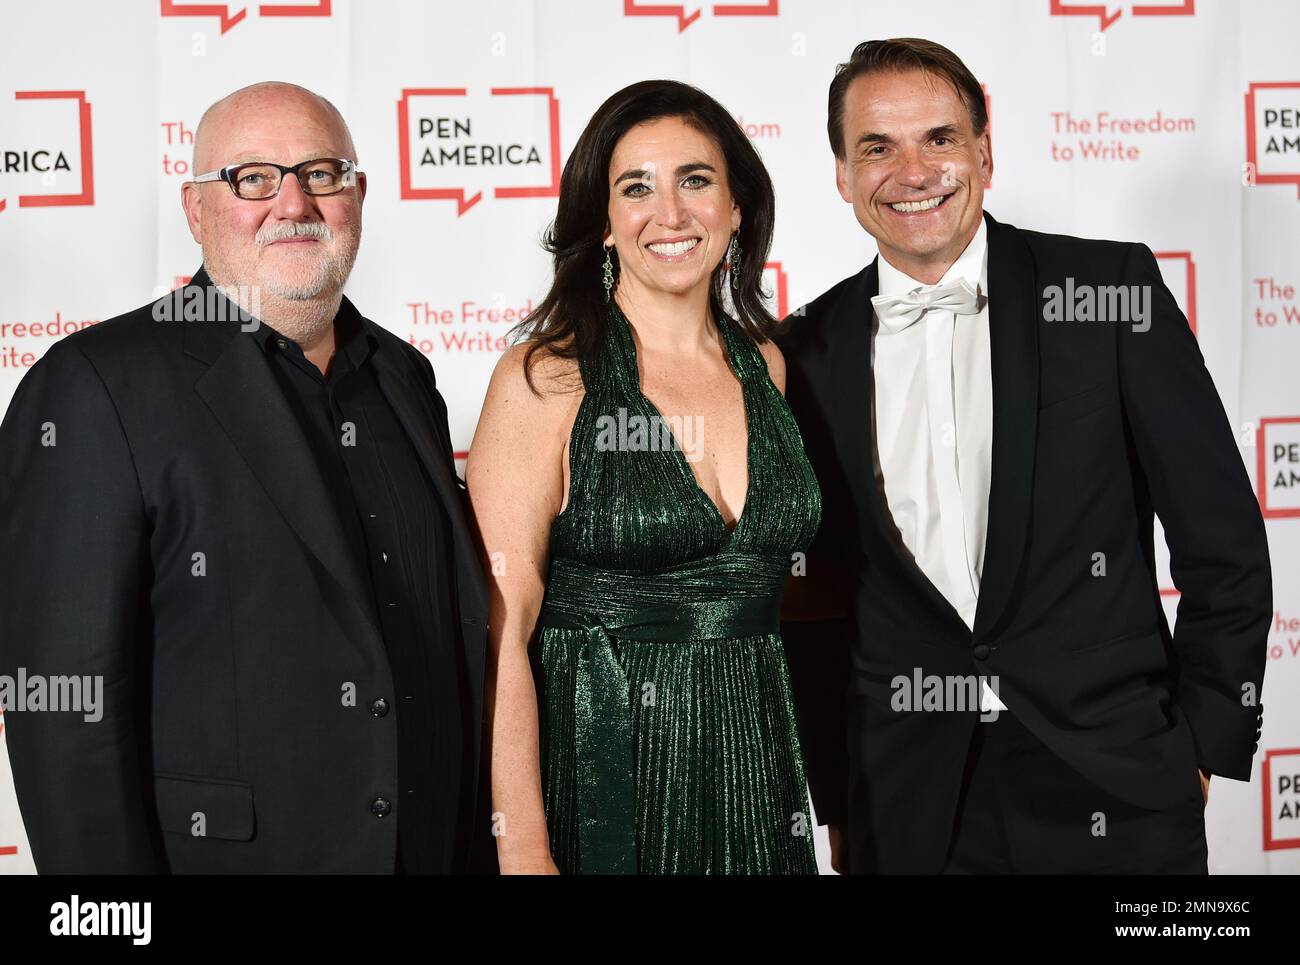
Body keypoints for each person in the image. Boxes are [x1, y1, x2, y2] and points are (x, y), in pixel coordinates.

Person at [778, 39, 1271, 874]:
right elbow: (817, 604)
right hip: (908, 806)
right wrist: (837, 795)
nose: (912, 170)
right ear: (839, 172)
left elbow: (1222, 541)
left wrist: (1199, 748)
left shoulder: (1109, 291)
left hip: (1117, 783)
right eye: (876, 147)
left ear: (984, 149)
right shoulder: (805, 350)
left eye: (938, 137)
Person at [0, 82, 488, 873]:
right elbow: (65, 717)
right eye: (252, 177)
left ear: (357, 196)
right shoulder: (96, 386)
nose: (292, 202)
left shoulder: (405, 376)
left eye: (321, 173)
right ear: (196, 211)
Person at [468, 79, 820, 874]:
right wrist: (522, 847)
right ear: (601, 222)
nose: (670, 213)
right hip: (602, 772)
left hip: (756, 770)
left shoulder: (765, 365)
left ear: (736, 207)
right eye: (636, 187)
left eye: (695, 180)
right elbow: (501, 632)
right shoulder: (546, 378)